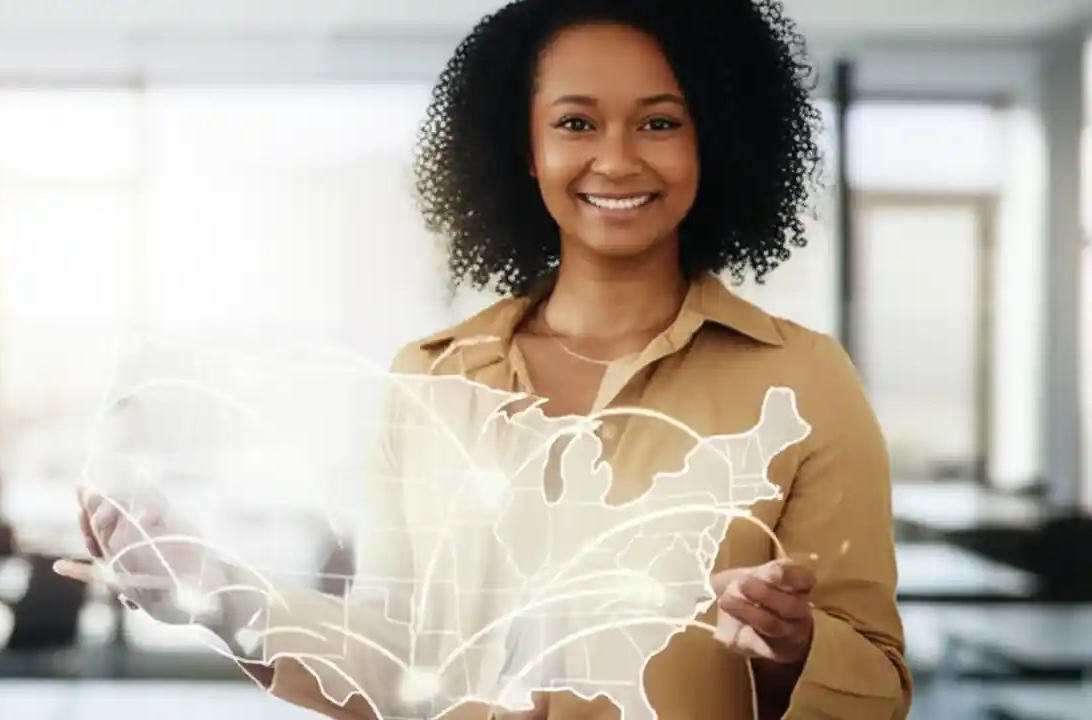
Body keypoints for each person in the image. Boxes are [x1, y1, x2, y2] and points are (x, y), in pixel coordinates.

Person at [58, 0, 912, 717]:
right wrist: (216, 594)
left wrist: (795, 648)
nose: (616, 158)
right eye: (575, 123)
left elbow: (880, 682)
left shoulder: (802, 380)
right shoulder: (432, 377)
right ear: (524, 148)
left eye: (660, 122)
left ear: (714, 140)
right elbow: (393, 664)